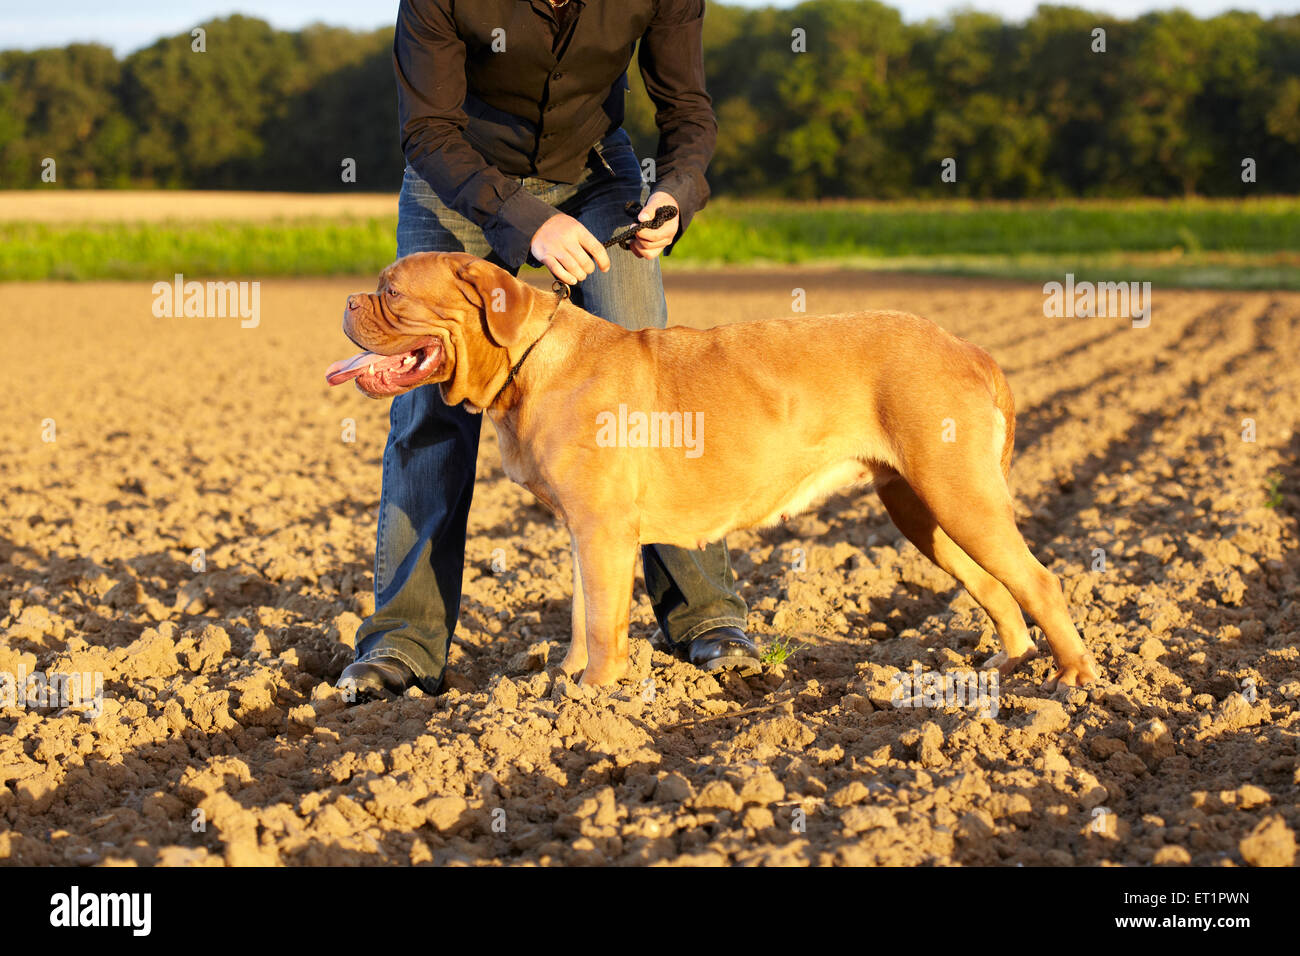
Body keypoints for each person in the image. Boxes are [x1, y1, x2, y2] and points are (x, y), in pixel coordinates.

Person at [338, 0, 760, 700]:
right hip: (460, 179)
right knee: (429, 412)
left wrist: (677, 194)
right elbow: (430, 130)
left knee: (651, 384)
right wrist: (528, 222)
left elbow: (687, 108)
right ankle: (404, 644)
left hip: (598, 172)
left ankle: (705, 617)